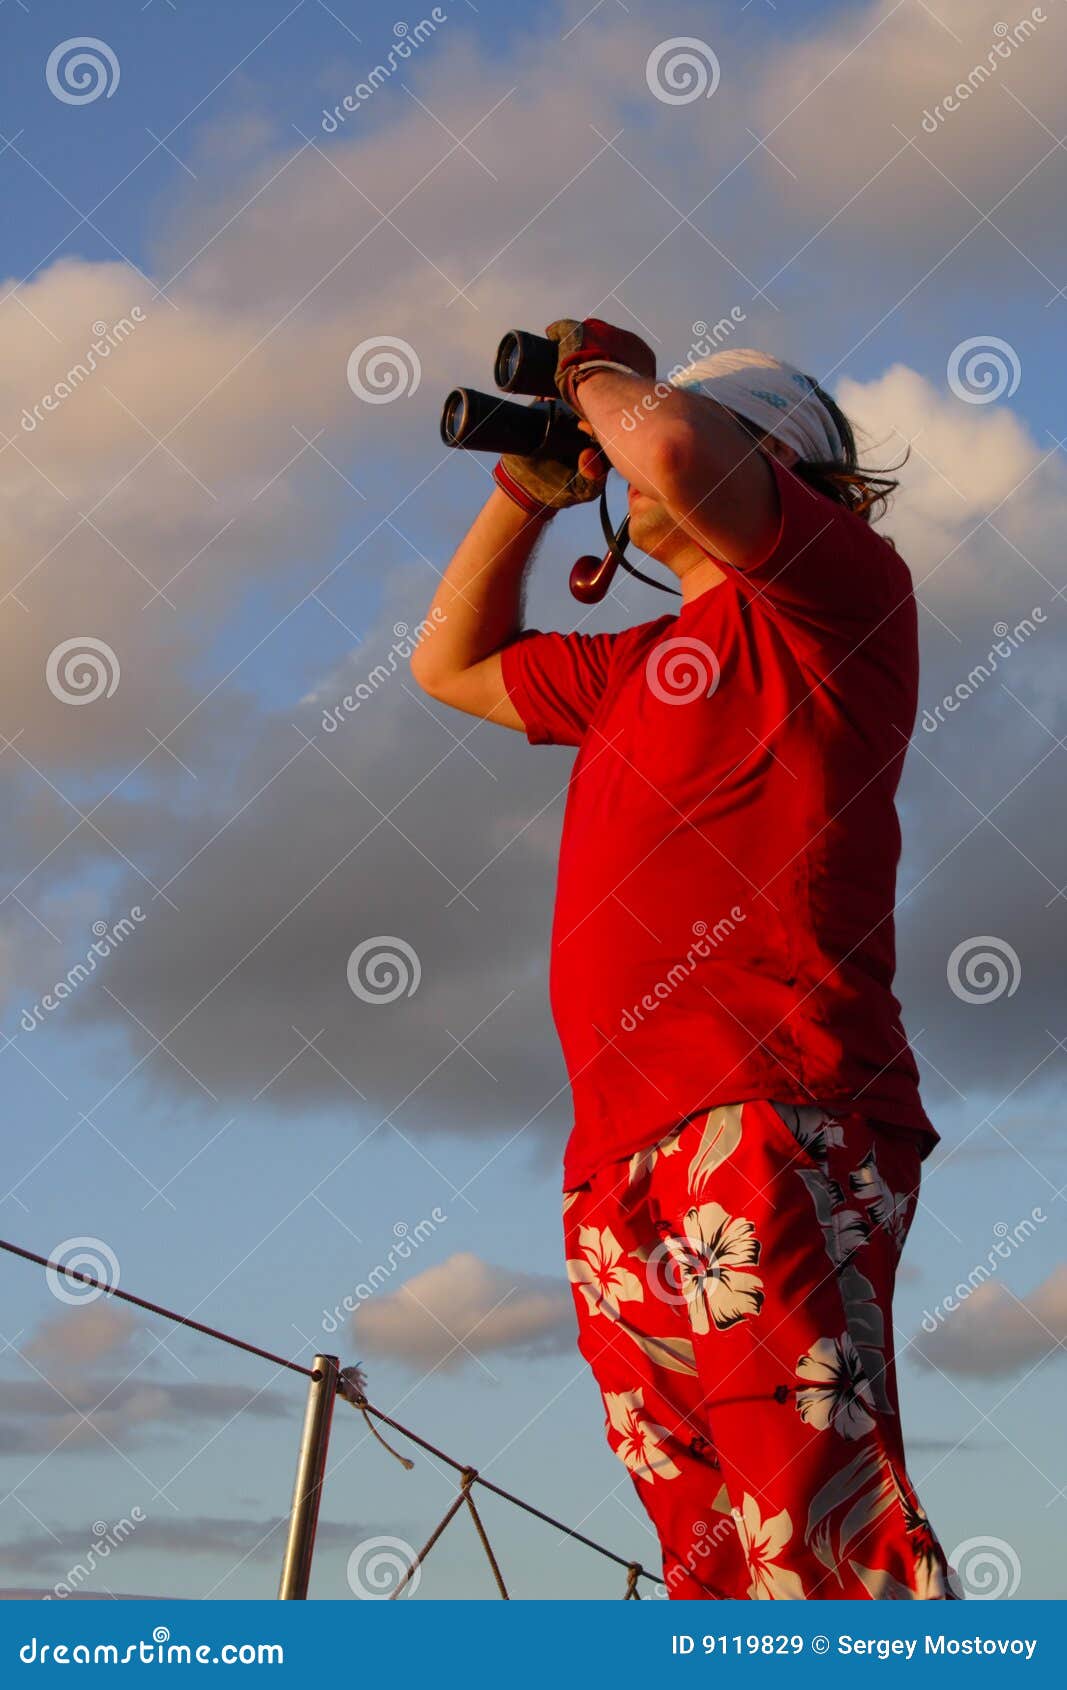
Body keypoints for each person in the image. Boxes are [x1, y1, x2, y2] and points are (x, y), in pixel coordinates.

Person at [411, 319, 953, 1600]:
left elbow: (660, 434)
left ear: (774, 469)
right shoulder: (628, 671)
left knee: (812, 1526)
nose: (617, 461)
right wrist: (524, 488)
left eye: (634, 439)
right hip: (618, 1151)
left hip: (772, 1104)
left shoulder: (838, 593)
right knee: (708, 1557)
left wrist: (598, 372)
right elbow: (449, 660)